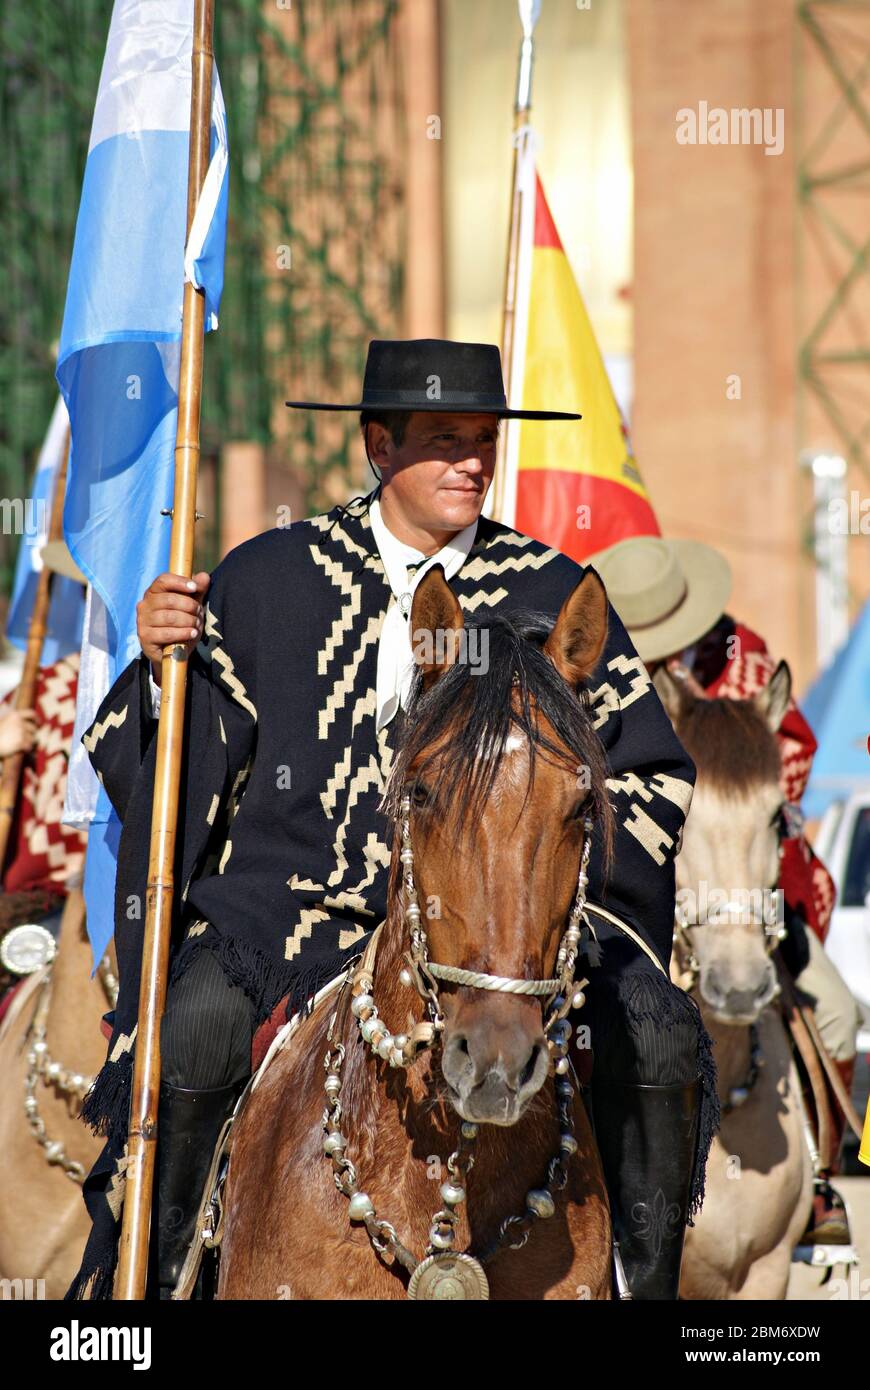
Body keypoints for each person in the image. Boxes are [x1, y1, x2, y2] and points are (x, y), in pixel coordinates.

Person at [67, 339, 718, 1302]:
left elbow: (651, 775)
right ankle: (151, 1289)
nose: (472, 460)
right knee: (195, 1032)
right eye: (444, 439)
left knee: (662, 1034)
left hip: (514, 930)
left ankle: (646, 1283)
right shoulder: (269, 578)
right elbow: (164, 765)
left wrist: (568, 897)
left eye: (484, 440)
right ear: (380, 445)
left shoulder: (552, 591)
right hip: (288, 920)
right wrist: (165, 664)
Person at [589, 533, 863, 1244]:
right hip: (613, 895)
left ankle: (819, 1182)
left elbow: (792, 760)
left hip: (737, 891)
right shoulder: (590, 676)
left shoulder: (744, 664)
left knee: (832, 1011)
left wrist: (745, 774)